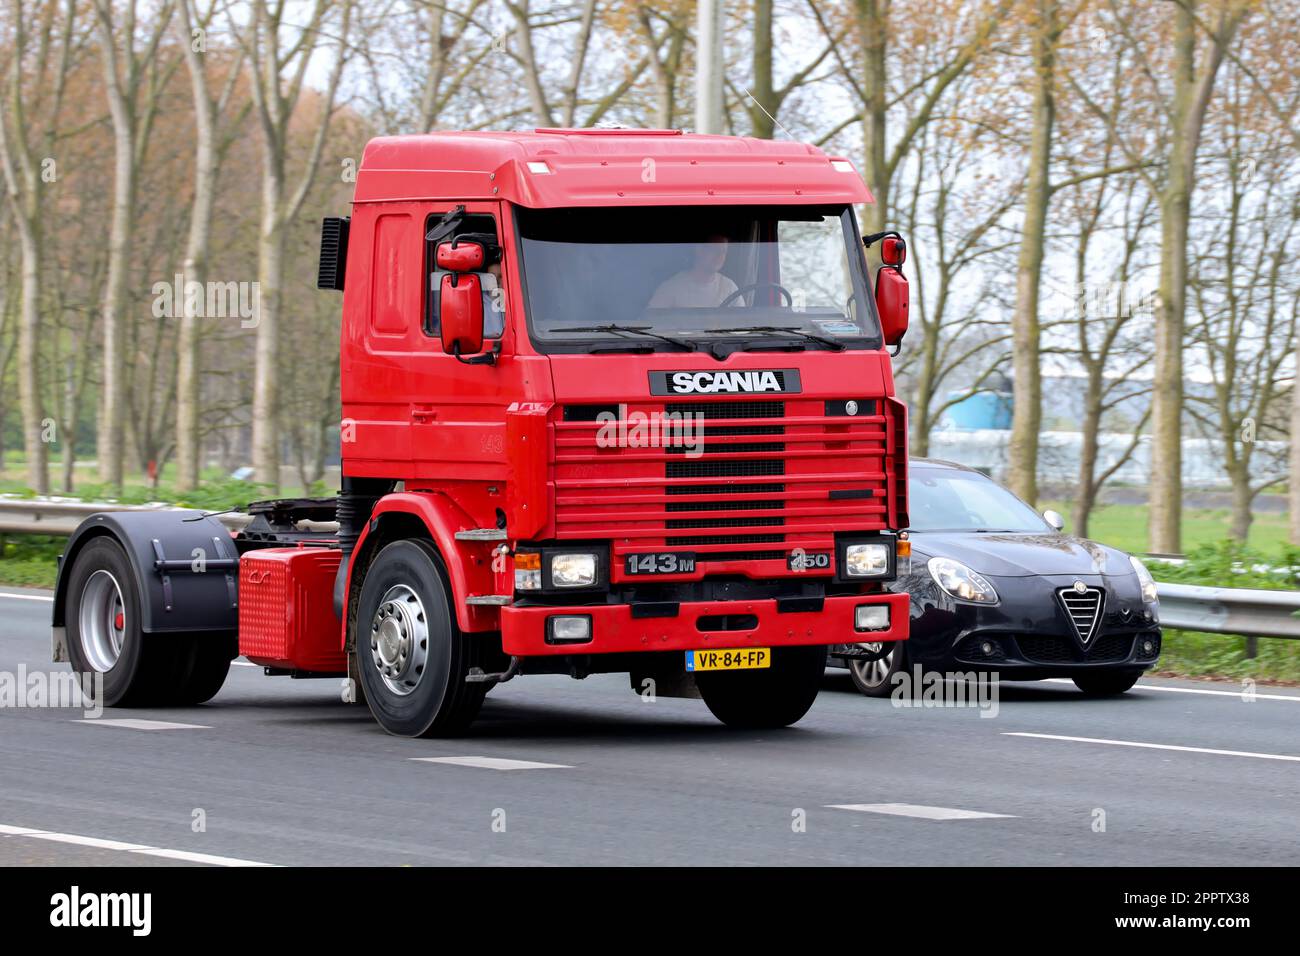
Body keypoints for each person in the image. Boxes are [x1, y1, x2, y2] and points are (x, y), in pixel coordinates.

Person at [647, 234, 740, 309]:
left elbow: (743, 323)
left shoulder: (729, 288)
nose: (719, 256)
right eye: (715, 250)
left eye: (723, 252)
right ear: (699, 249)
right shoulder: (673, 287)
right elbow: (649, 321)